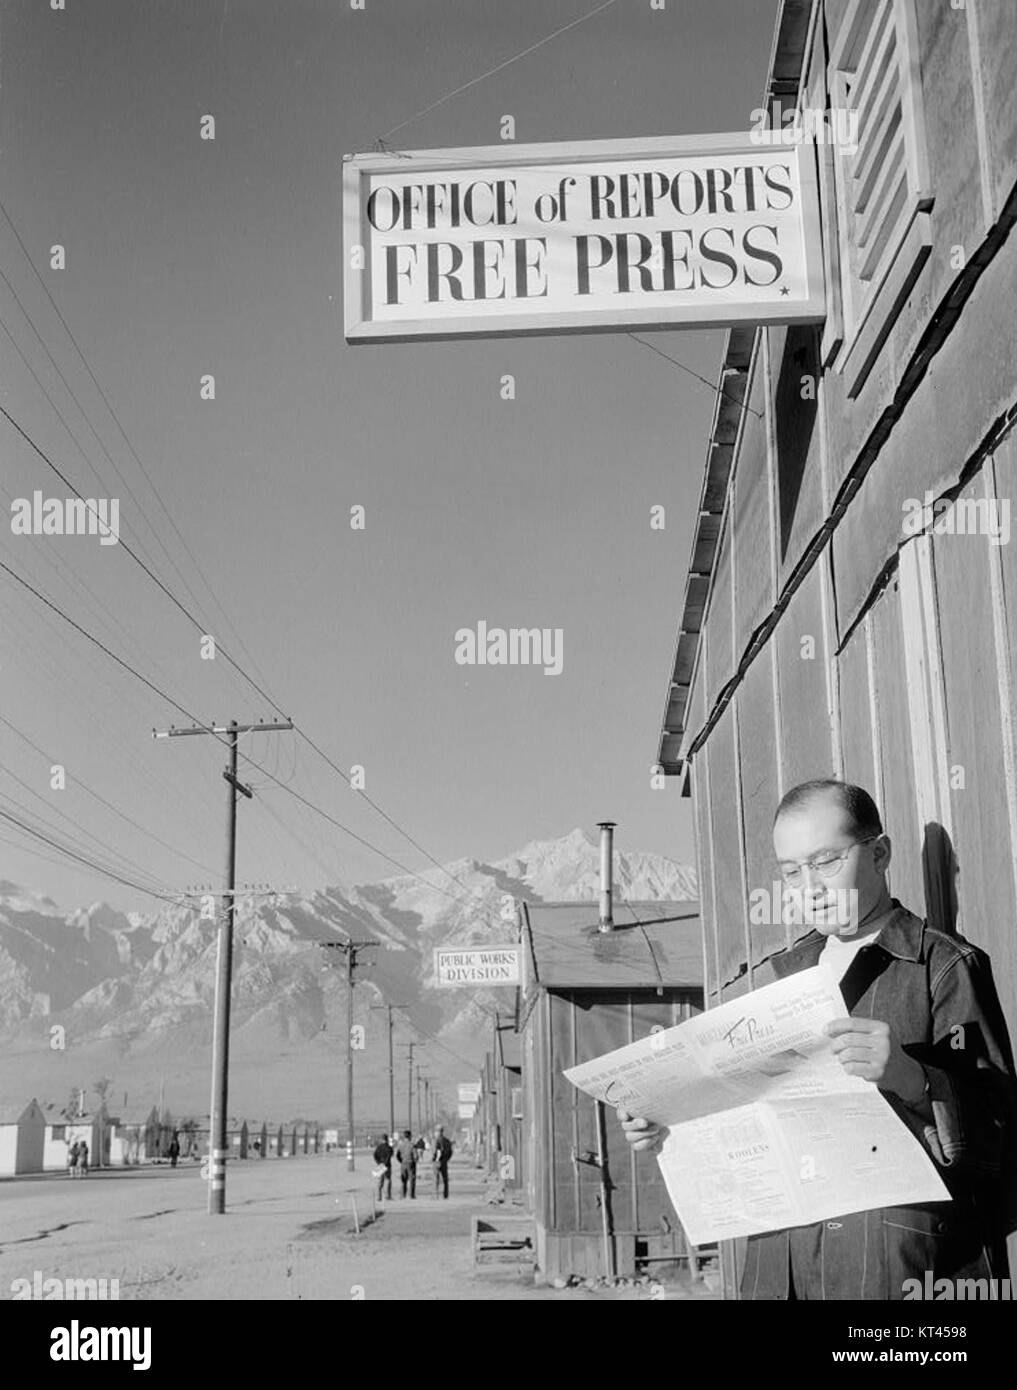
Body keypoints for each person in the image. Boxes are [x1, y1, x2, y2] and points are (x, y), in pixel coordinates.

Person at [620, 779, 1017, 1300]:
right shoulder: (781, 979)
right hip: (784, 1271)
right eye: (790, 871)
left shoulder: (942, 969)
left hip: (897, 1275)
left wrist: (915, 1080)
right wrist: (670, 1119)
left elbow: (1003, 1141)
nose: (809, 886)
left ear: (879, 854)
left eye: (826, 861)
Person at [432, 1126, 453, 1199]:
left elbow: (435, 1151)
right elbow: (450, 1152)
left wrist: (434, 1158)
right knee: (445, 1179)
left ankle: (435, 1194)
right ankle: (445, 1194)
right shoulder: (447, 1141)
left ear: (438, 1132)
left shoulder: (435, 1140)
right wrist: (446, 1159)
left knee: (436, 1179)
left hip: (437, 1162)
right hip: (444, 1162)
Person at [395, 1130, 417, 1199]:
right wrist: (415, 1161)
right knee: (412, 1180)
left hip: (403, 1163)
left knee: (403, 1180)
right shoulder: (412, 1145)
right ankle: (411, 1195)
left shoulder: (400, 1145)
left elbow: (397, 1155)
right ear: (410, 1136)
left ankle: (403, 1194)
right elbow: (415, 1156)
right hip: (411, 1163)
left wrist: (401, 1161)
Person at [373, 1133, 393, 1201]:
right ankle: (388, 1195)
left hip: (380, 1165)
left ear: (382, 1139)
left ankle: (379, 1197)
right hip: (387, 1165)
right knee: (388, 1180)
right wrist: (386, 1163)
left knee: (380, 1181)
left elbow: (375, 1155)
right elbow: (390, 1155)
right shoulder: (389, 1148)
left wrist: (378, 1162)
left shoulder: (378, 1147)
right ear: (387, 1139)